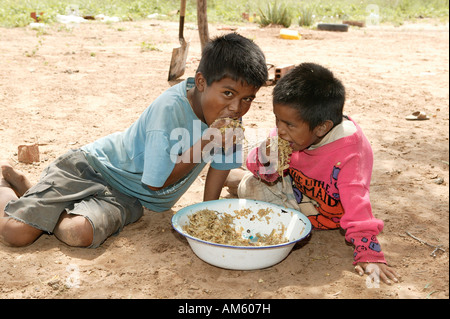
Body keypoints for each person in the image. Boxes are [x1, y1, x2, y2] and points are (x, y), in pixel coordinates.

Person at [0, 33, 268, 249]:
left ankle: (35, 195)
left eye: (247, 99)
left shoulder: (230, 115)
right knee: (16, 234)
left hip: (129, 195)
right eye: (228, 93)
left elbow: (220, 167)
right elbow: (155, 182)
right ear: (200, 82)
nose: (237, 107)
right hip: (92, 168)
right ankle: (8, 186)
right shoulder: (169, 109)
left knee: (78, 234)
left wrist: (208, 214)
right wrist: (204, 143)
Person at [225, 63, 399, 285]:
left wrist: (369, 254)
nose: (280, 129)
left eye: (288, 124)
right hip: (291, 191)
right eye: (277, 119)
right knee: (254, 185)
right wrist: (267, 156)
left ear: (321, 128)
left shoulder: (349, 153)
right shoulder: (289, 131)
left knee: (261, 203)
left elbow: (357, 205)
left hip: (326, 212)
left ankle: (237, 181)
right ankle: (238, 181)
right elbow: (261, 164)